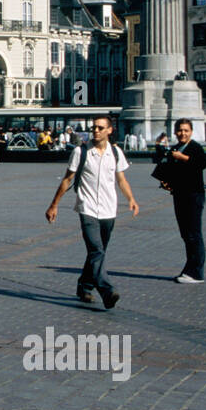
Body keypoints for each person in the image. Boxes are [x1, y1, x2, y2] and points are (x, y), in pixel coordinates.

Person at [45, 114, 138, 309]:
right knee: (96, 250)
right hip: (87, 208)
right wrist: (54, 205)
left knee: (97, 252)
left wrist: (131, 199)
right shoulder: (81, 152)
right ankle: (107, 290)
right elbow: (67, 179)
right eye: (93, 127)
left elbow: (121, 179)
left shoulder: (116, 152)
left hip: (109, 209)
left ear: (109, 130)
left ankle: (84, 287)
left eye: (100, 128)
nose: (95, 131)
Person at [159, 118, 206, 283]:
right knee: (186, 234)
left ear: (191, 132)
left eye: (186, 130)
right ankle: (189, 268)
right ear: (175, 132)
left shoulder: (195, 148)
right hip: (179, 195)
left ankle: (196, 272)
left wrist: (182, 157)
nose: (182, 133)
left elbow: (201, 164)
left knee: (194, 233)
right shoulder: (175, 148)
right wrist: (166, 182)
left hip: (193, 195)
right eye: (179, 130)